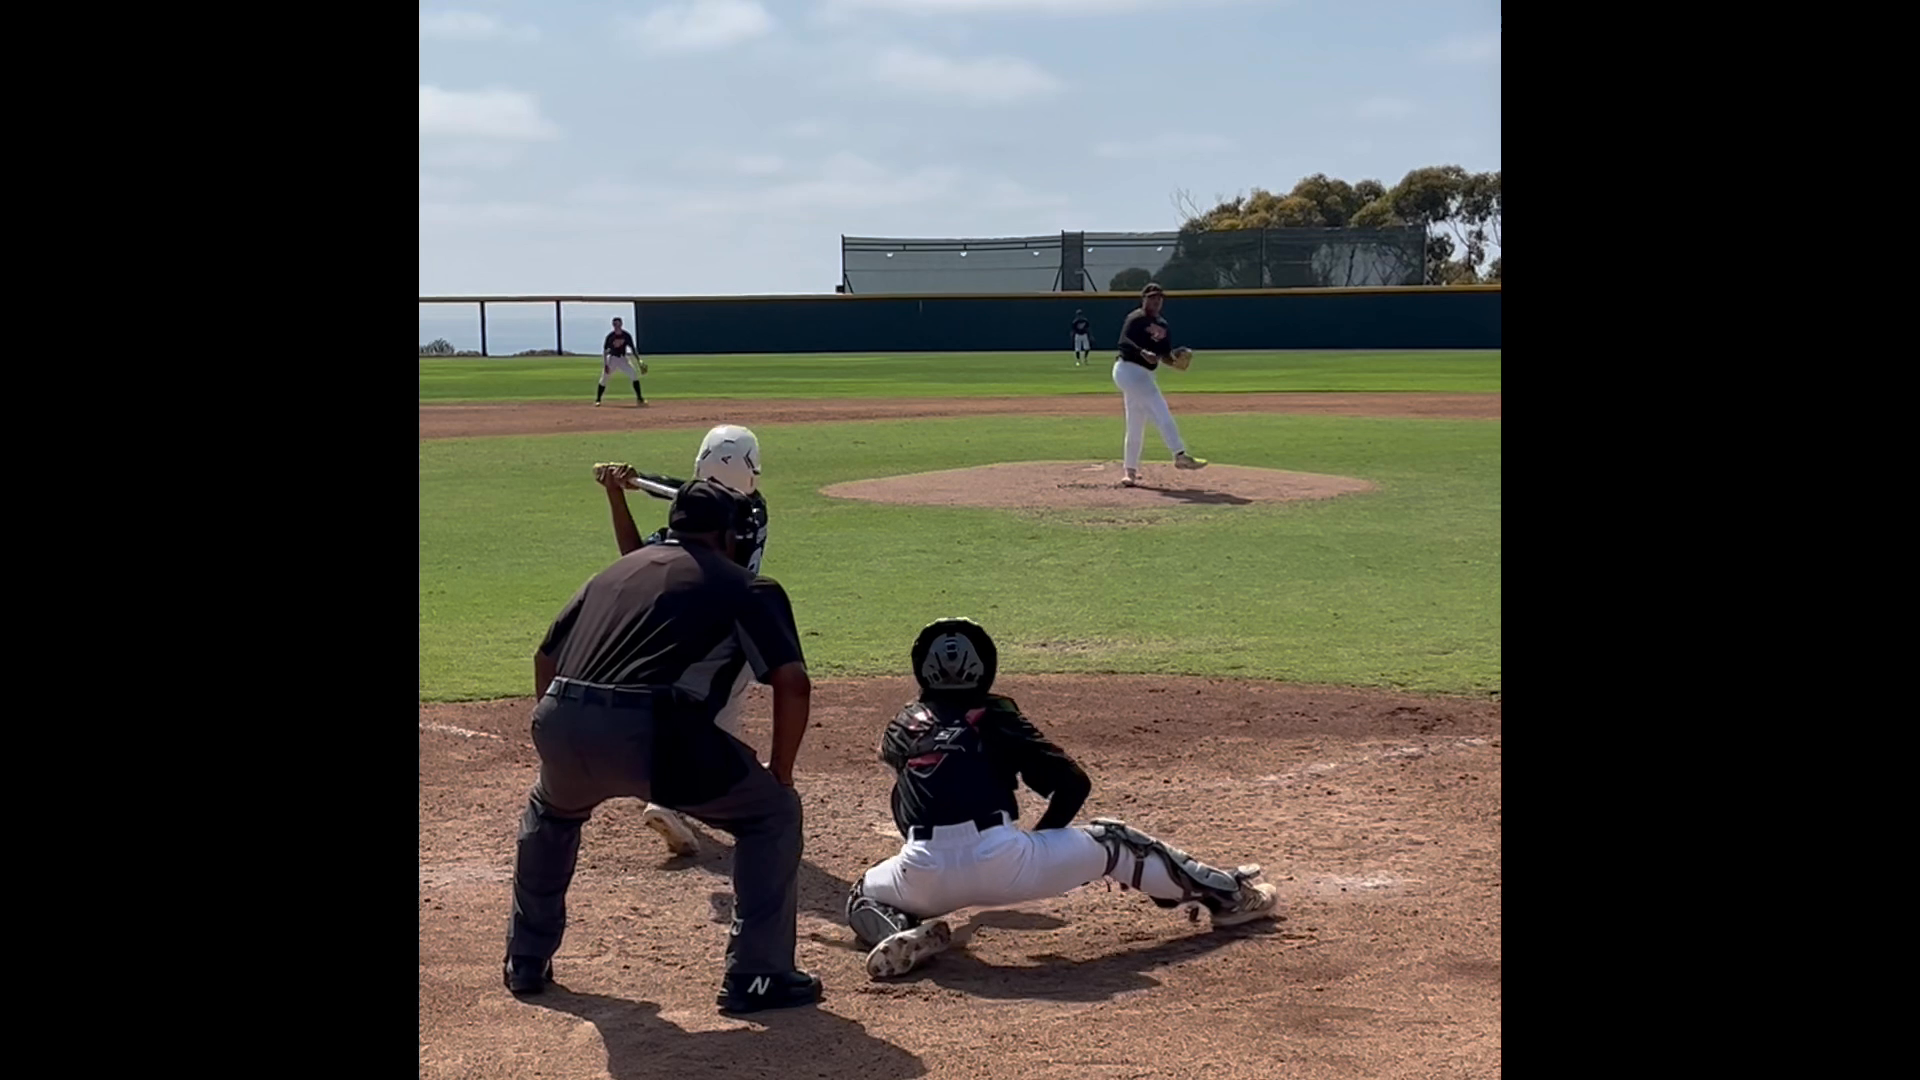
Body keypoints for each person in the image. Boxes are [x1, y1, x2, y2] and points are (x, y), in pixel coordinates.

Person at [503, 479, 823, 1014]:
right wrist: (782, 773)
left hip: (561, 718)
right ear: (727, 536)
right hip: (655, 732)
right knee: (772, 814)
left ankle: (525, 961)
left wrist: (566, 736)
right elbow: (793, 684)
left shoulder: (611, 573)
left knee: (550, 813)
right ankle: (758, 974)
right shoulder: (747, 586)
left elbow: (545, 658)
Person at [842, 618, 1281, 979]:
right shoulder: (996, 715)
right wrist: (1043, 844)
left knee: (864, 893)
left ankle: (896, 930)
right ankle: (1228, 898)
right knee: (1116, 841)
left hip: (922, 872)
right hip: (1008, 863)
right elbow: (1074, 784)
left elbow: (908, 786)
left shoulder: (902, 724)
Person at [595, 425, 770, 857]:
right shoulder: (753, 513)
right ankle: (677, 796)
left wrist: (623, 490)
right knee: (717, 715)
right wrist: (635, 483)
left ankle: (671, 781)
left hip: (668, 633)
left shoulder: (687, 529)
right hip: (726, 636)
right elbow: (693, 493)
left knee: (679, 709)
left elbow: (634, 553)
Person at [1112, 283, 1207, 487]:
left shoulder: (1163, 325)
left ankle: (1129, 472)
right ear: (1144, 299)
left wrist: (1175, 362)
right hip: (1127, 369)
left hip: (1145, 375)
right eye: (1152, 297)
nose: (1156, 301)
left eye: (1159, 298)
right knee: (1159, 408)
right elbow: (1124, 341)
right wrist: (1142, 352)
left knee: (1135, 422)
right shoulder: (1136, 318)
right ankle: (1179, 453)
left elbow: (1165, 355)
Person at [596, 316, 646, 407]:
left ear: (621, 324)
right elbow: (605, 351)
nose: (617, 326)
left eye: (618, 324)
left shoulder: (626, 335)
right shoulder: (610, 337)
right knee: (604, 378)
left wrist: (639, 360)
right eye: (615, 324)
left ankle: (640, 399)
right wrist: (606, 364)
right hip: (612, 359)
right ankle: (598, 399)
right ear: (613, 325)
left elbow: (633, 349)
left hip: (623, 359)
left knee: (634, 375)